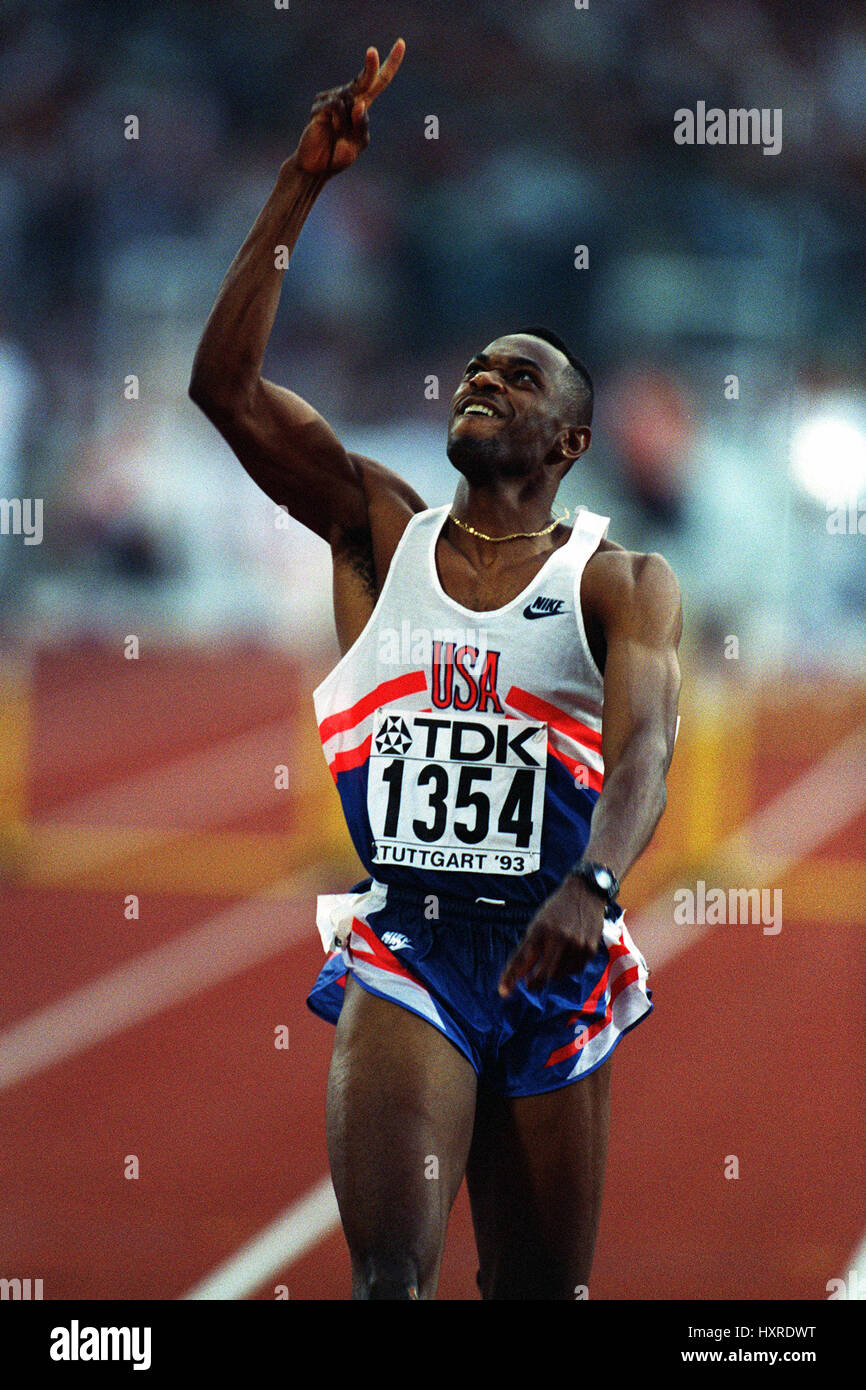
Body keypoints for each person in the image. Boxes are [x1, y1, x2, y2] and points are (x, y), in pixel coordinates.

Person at [189, 39, 682, 1301]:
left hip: (554, 954)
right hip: (410, 940)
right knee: (388, 1281)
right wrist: (302, 187)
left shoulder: (616, 583)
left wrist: (597, 882)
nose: (481, 380)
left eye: (515, 377)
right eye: (473, 369)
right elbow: (225, 388)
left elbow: (644, 752)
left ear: (568, 437)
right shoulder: (377, 528)